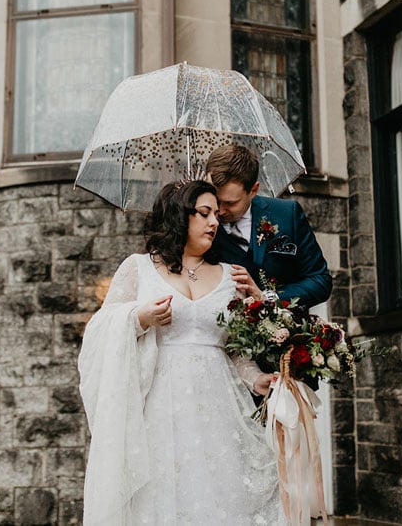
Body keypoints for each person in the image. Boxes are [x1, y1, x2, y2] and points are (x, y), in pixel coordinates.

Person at [78, 180, 286, 526]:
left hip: (219, 409)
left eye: (217, 215)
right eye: (203, 213)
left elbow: (234, 349)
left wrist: (257, 379)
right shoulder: (138, 268)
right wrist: (139, 318)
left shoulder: (229, 276)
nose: (214, 222)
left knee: (223, 495)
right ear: (178, 216)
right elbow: (99, 332)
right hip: (158, 408)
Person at [206, 144, 332, 311]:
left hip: (286, 331)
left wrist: (267, 298)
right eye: (215, 198)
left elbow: (320, 281)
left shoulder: (287, 214)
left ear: (253, 190)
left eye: (230, 203)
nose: (220, 210)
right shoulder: (196, 222)